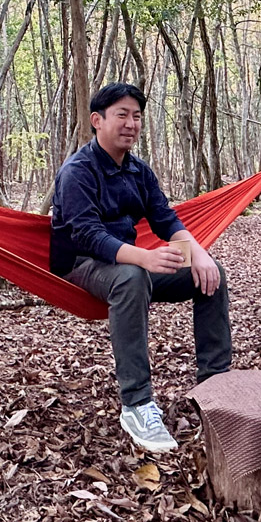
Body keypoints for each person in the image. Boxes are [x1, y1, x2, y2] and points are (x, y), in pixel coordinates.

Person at [50, 83, 230, 453]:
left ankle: (215, 384)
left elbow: (165, 220)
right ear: (97, 121)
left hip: (127, 261)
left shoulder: (138, 170)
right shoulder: (78, 171)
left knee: (211, 276)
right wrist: (144, 258)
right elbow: (87, 236)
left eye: (137, 116)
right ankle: (136, 404)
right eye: (122, 115)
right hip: (81, 265)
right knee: (131, 278)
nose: (131, 124)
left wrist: (198, 253)